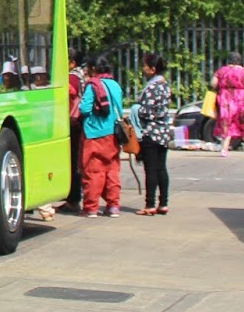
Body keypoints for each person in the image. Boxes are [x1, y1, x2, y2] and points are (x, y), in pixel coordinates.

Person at [78, 56, 123, 217]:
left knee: (93, 170)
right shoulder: (115, 85)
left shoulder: (93, 85)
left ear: (93, 69)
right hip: (113, 133)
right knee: (112, 169)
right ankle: (113, 206)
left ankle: (91, 207)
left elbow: (84, 108)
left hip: (94, 133)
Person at [134, 52, 174, 215]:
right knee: (161, 168)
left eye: (145, 66)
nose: (143, 69)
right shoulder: (165, 85)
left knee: (150, 169)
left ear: (152, 69)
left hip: (151, 131)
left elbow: (147, 112)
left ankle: (150, 204)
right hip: (163, 131)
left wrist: (137, 109)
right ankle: (163, 203)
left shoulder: (152, 87)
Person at [212, 51, 244, 158]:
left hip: (225, 99)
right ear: (240, 61)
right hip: (241, 100)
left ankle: (224, 150)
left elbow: (213, 83)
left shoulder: (221, 71)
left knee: (226, 123)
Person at [66, 47, 85, 209]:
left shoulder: (71, 78)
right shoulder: (81, 75)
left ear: (72, 63)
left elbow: (68, 94)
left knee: (72, 160)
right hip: (79, 122)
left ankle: (73, 198)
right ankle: (74, 197)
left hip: (72, 122)